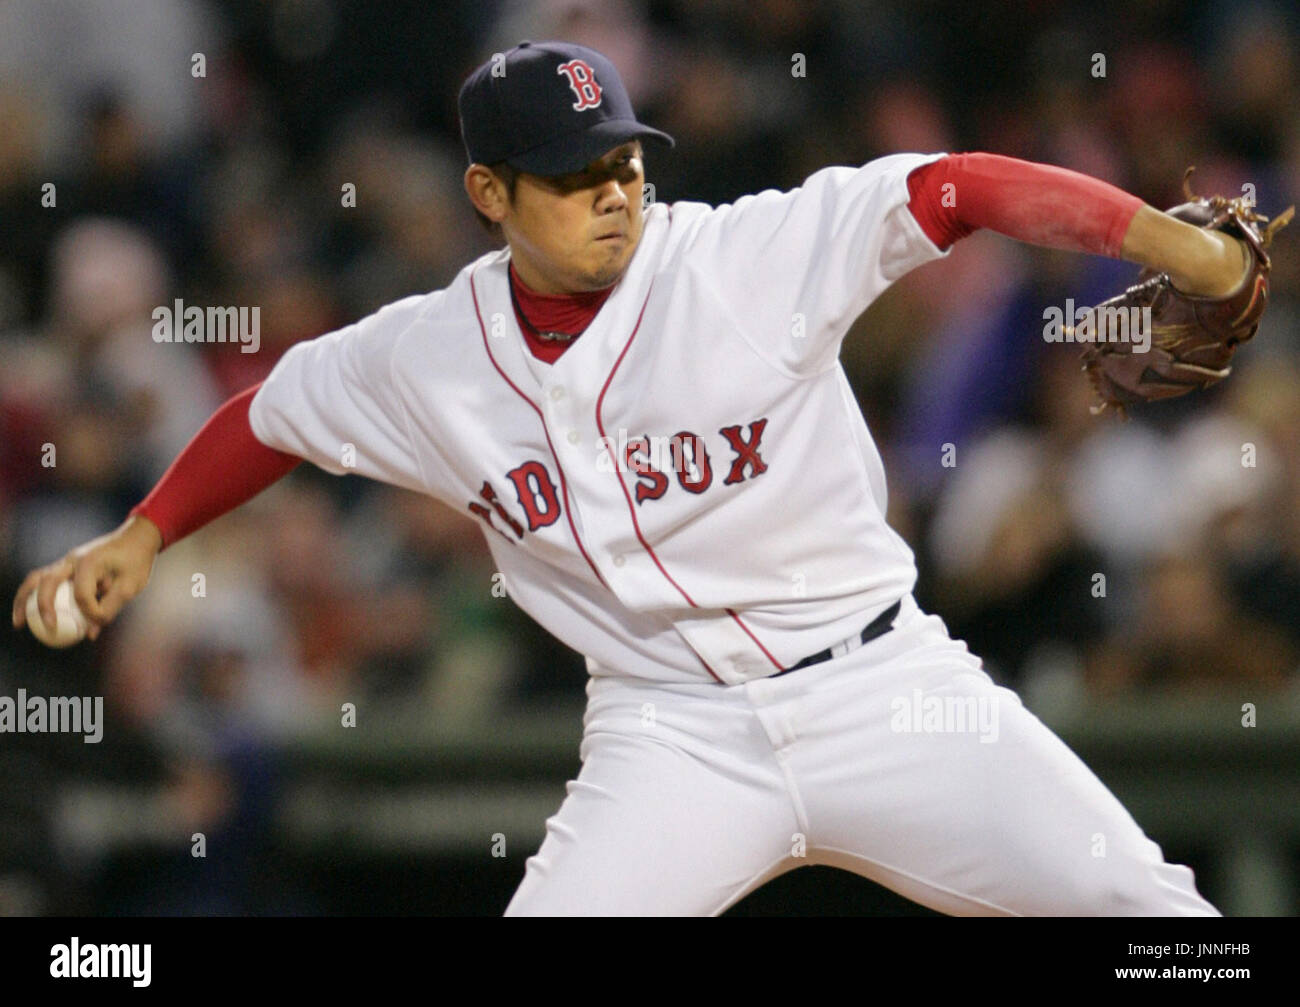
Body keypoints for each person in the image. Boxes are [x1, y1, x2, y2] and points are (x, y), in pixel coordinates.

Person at [15, 41, 1248, 915]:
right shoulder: (427, 355)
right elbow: (271, 415)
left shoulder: (743, 256)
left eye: (624, 163)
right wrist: (144, 530)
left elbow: (953, 186)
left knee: (1143, 913)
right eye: (573, 177)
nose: (614, 195)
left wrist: (1155, 236)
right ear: (487, 195)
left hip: (881, 681)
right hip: (671, 730)